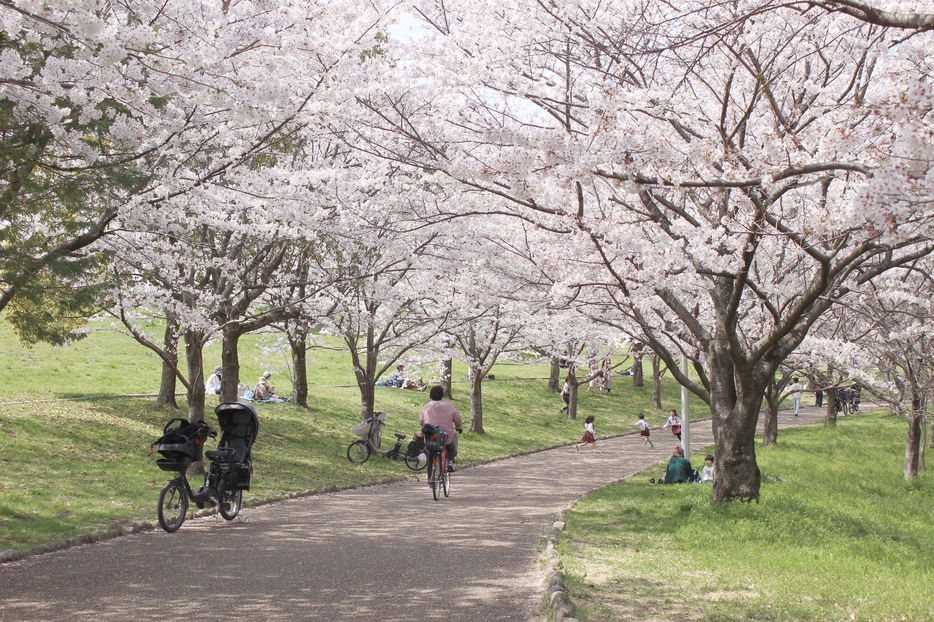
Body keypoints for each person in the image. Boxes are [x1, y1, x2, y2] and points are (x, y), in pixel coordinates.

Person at [419, 385, 463, 472]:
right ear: (442, 395)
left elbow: (421, 421)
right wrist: (459, 427)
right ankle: (450, 462)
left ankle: (430, 477)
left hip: (430, 436)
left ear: (431, 395)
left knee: (430, 453)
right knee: (450, 447)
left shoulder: (427, 406)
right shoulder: (449, 406)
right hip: (444, 436)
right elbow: (457, 419)